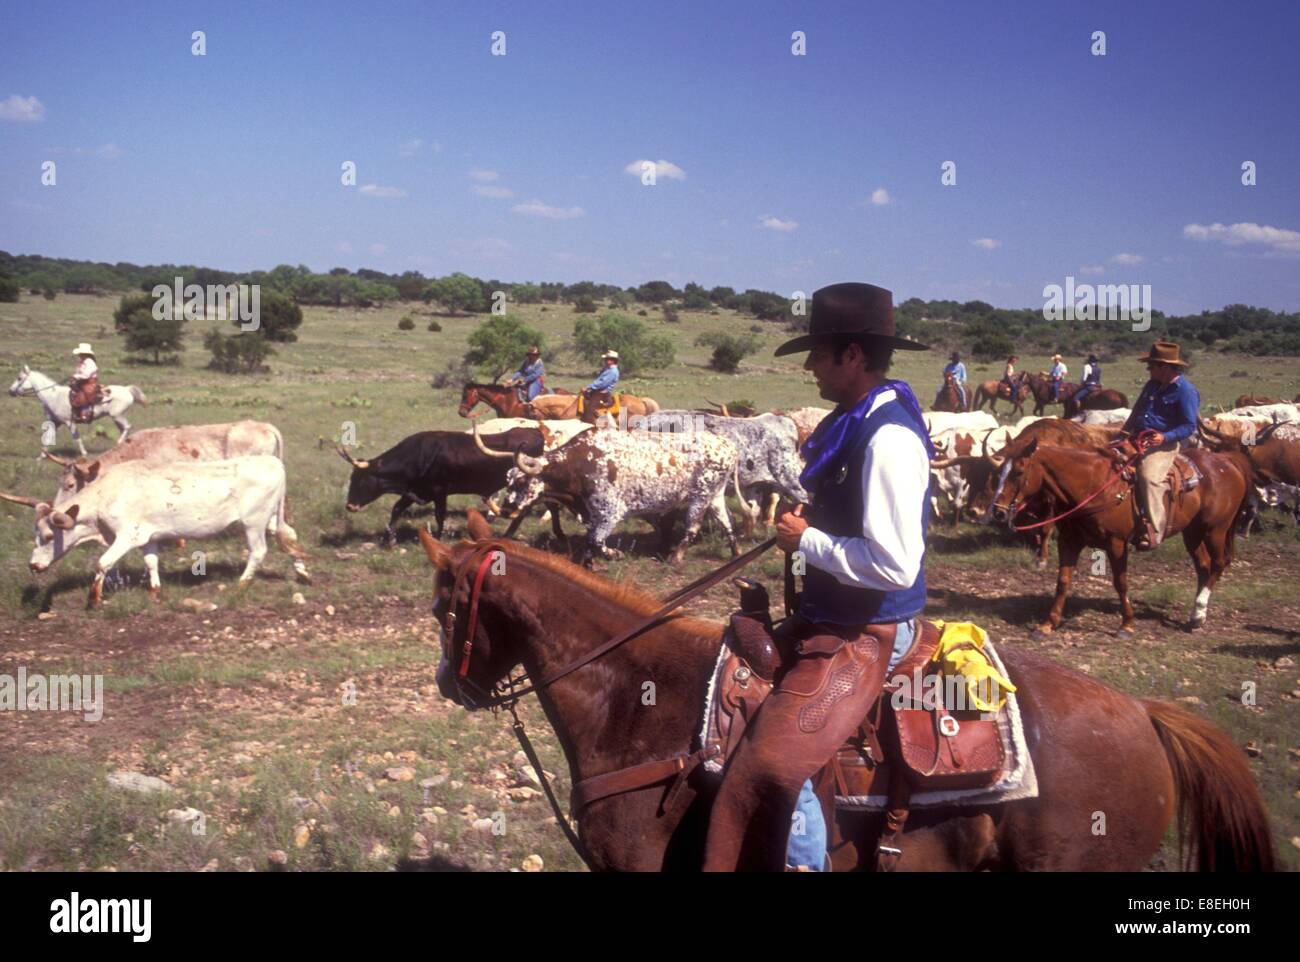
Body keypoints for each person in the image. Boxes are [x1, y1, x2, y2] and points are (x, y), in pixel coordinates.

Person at [703, 282, 932, 872]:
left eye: (819, 353)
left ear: (852, 355)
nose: (809, 367)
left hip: (872, 627)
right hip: (836, 614)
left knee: (775, 764)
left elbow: (895, 563)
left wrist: (807, 541)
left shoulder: (888, 438)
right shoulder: (858, 420)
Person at [1119, 342, 1200, 550]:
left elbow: (1188, 425)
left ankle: (1154, 529)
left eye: (1151, 366)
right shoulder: (1152, 385)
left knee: (1148, 477)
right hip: (1136, 438)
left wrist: (1164, 437)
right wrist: (1122, 436)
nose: (1148, 370)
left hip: (1163, 444)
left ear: (1165, 367)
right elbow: (1137, 411)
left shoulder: (1186, 391)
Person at [68, 343, 100, 423]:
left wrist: (76, 376)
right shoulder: (82, 362)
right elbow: (79, 372)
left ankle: (85, 414)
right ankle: (74, 412)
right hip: (82, 382)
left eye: (81, 354)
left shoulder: (90, 363)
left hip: (89, 383)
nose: (79, 355)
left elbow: (86, 375)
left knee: (83, 396)